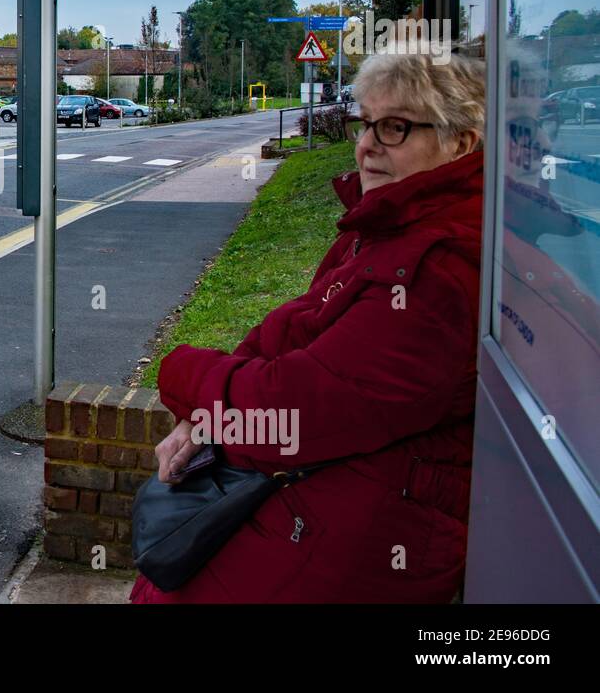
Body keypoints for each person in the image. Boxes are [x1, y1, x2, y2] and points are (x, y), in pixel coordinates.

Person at [132, 47, 486, 603]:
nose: (367, 146)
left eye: (394, 128)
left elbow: (293, 411)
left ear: (460, 142)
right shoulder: (387, 229)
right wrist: (205, 415)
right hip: (328, 501)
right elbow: (291, 328)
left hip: (365, 532)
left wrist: (182, 375)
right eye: (365, 123)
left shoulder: (435, 271)